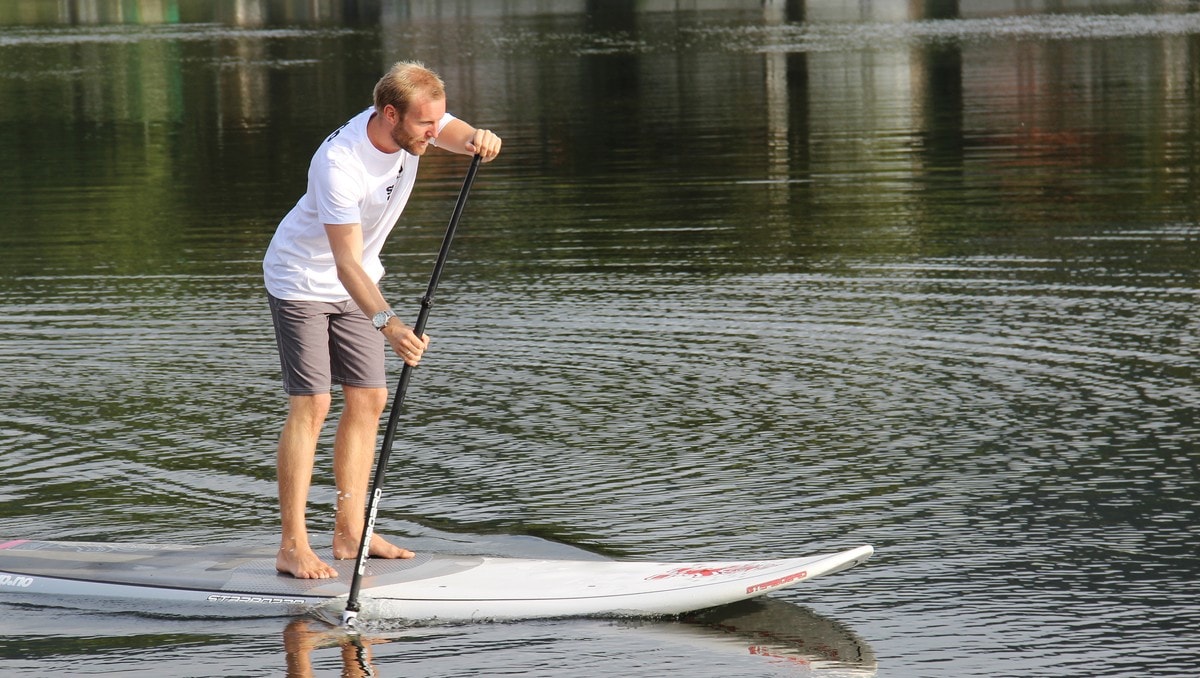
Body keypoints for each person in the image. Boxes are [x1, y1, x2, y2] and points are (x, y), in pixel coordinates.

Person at [262, 61, 502, 579]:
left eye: (437, 123)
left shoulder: (417, 122)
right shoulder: (339, 164)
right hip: (303, 279)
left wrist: (476, 140)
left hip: (358, 283)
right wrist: (390, 325)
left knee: (369, 397)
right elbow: (343, 261)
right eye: (425, 126)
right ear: (389, 115)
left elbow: (454, 130)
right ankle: (292, 545)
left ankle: (351, 535)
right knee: (313, 402)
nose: (434, 134)